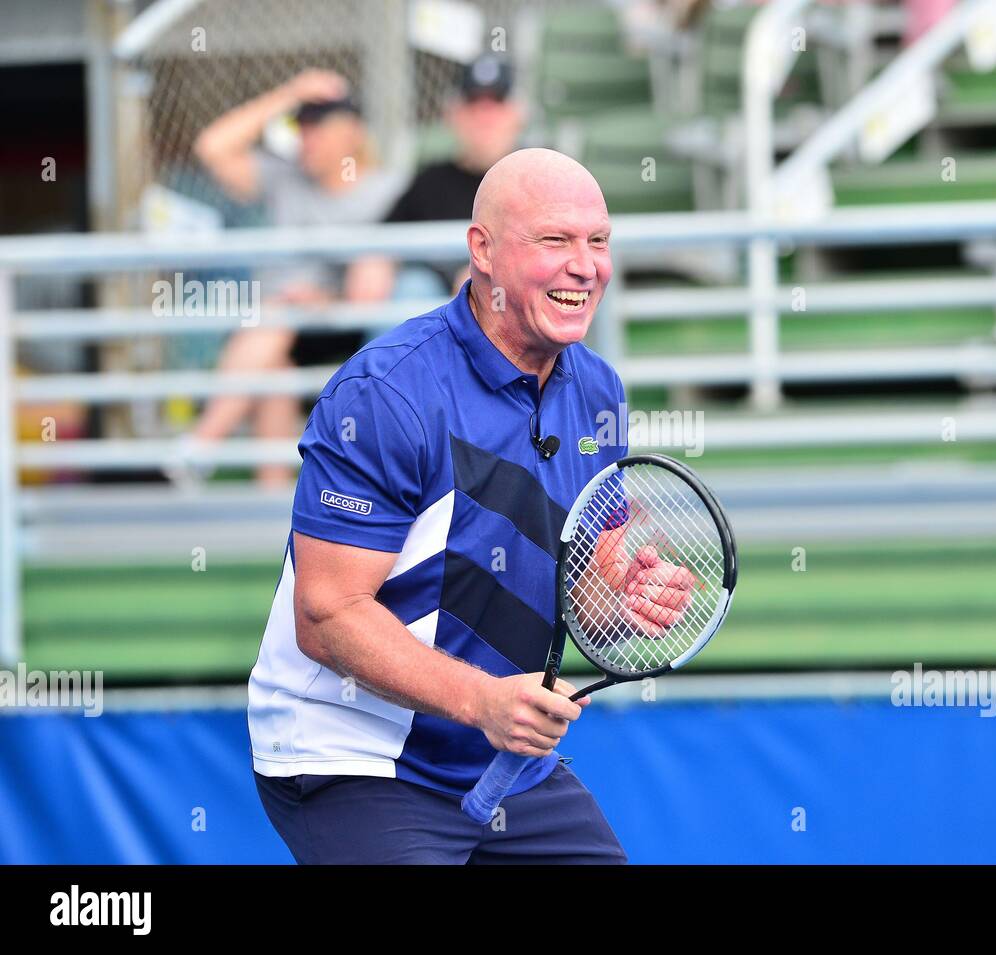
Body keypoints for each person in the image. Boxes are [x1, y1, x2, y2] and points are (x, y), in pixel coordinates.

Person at [247, 148, 694, 864]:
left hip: (503, 760)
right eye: (555, 240)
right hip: (353, 756)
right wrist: (483, 702)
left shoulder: (599, 390)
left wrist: (623, 599)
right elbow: (326, 616)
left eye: (598, 240)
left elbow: (585, 587)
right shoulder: (385, 393)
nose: (585, 266)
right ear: (482, 251)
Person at [182, 70, 406, 486]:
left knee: (274, 323)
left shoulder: (386, 189)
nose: (307, 138)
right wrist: (288, 93)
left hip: (345, 325)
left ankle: (199, 448)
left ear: (352, 133)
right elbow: (212, 147)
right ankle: (270, 493)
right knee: (275, 364)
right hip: (278, 326)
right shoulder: (285, 177)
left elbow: (384, 276)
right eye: (301, 127)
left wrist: (328, 301)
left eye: (318, 127)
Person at [347, 53, 525, 303]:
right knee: (411, 287)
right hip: (433, 303)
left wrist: (486, 271)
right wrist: (376, 262)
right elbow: (383, 238)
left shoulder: (535, 178)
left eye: (496, 104)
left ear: (516, 115)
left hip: (510, 307)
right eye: (473, 104)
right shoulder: (431, 182)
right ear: (454, 114)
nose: (485, 118)